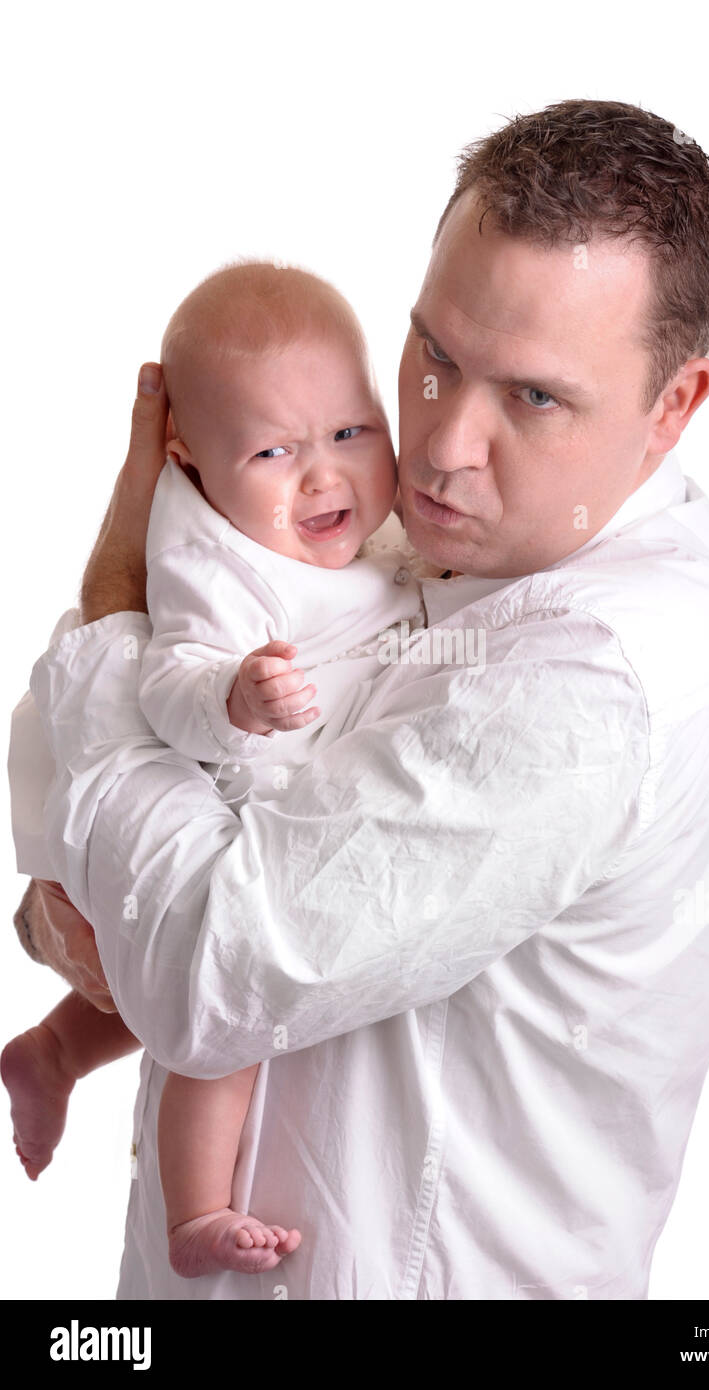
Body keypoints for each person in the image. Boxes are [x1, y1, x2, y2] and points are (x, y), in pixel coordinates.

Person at [9, 98, 709, 1300]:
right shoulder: (462, 535)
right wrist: (74, 905)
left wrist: (110, 613)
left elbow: (203, 971)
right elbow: (97, 903)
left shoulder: (589, 685)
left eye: (534, 398)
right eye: (435, 358)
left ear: (672, 405)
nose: (442, 448)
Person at [3, 260, 436, 1277]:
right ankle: (192, 1210)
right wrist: (232, 698)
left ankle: (57, 1050)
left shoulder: (385, 525)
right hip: (232, 796)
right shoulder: (212, 560)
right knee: (222, 1019)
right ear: (188, 463)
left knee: (148, 979)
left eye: (349, 432)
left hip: (296, 806)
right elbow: (166, 680)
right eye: (273, 450)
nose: (322, 476)